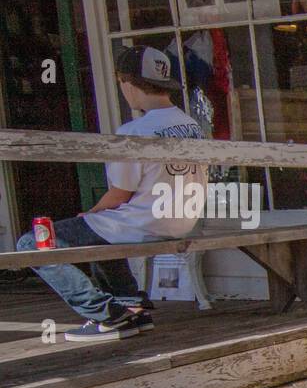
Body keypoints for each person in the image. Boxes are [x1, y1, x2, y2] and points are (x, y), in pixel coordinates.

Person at [18, 46, 206, 341]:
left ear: (128, 84)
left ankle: (107, 314)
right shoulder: (192, 125)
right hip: (182, 220)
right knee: (103, 226)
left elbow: (120, 195)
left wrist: (90, 213)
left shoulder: (137, 131)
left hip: (145, 222)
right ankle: (132, 305)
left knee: (31, 242)